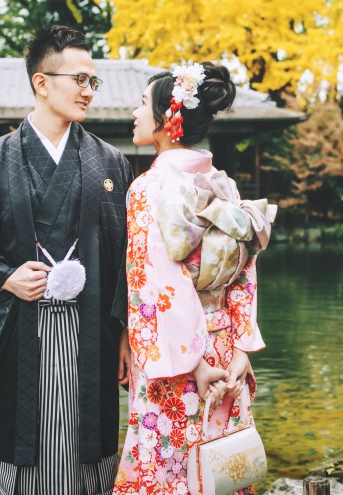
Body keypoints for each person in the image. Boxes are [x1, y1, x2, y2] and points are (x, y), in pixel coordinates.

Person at [0, 25, 133, 495]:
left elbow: (130, 257)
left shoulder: (110, 163)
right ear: (41, 82)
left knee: (90, 454)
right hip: (19, 329)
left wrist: (128, 332)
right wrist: (6, 277)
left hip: (94, 333)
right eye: (79, 79)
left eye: (93, 81)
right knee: (24, 450)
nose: (88, 91)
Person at [113, 62, 275, 495]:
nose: (135, 112)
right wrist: (241, 347)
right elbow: (244, 271)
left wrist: (194, 362)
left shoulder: (148, 188)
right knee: (221, 467)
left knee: (171, 468)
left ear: (169, 119)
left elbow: (152, 285)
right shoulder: (223, 185)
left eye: (142, 104)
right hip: (224, 348)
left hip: (178, 358)